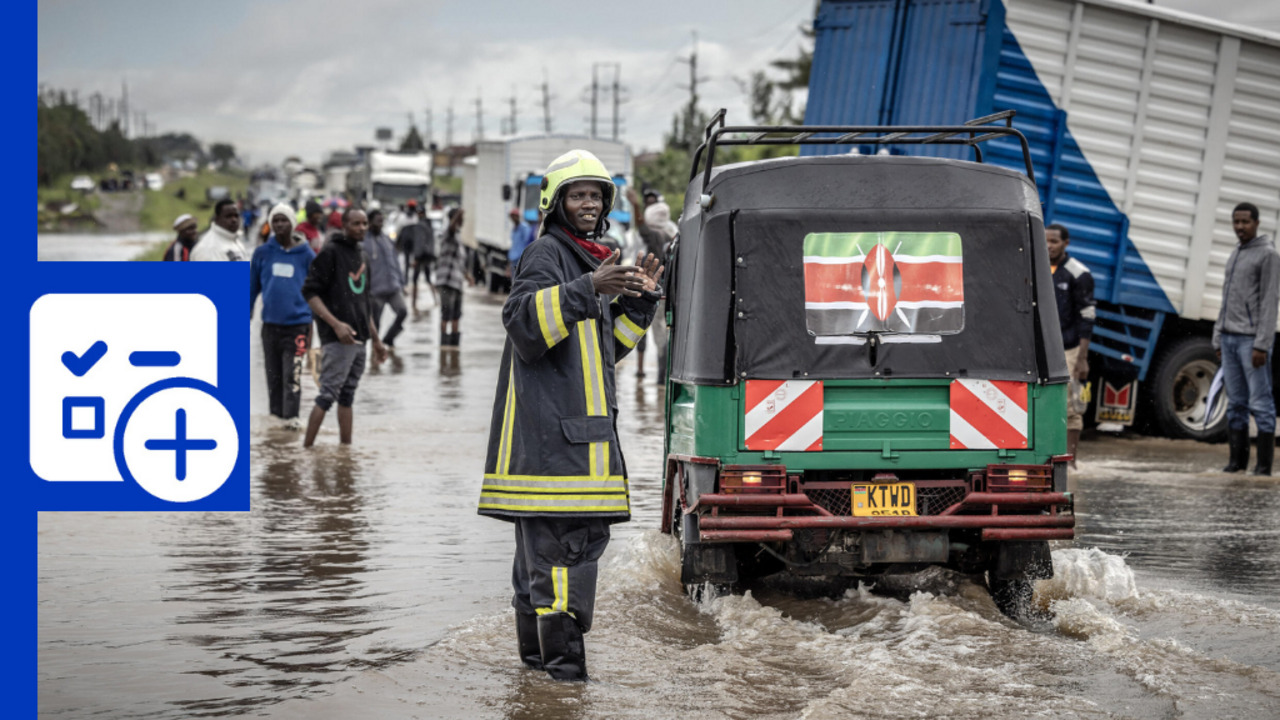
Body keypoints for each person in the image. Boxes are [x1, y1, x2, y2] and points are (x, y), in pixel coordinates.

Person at [477, 149, 663, 682]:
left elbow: (603, 352)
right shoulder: (546, 255)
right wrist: (589, 290)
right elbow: (523, 325)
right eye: (578, 195)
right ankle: (564, 690)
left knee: (541, 577)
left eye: (596, 195)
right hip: (555, 457)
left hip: (572, 449)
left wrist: (640, 306)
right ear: (555, 203)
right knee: (563, 576)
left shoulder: (588, 259)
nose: (589, 203)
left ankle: (537, 687)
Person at [300, 209, 388, 447]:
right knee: (327, 395)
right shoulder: (330, 253)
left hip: (360, 341)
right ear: (344, 226)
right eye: (356, 223)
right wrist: (336, 325)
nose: (362, 228)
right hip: (338, 340)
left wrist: (377, 341)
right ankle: (306, 451)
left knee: (347, 396)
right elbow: (310, 292)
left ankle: (345, 451)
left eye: (364, 223)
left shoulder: (362, 255)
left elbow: (364, 302)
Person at [1213, 202, 1279, 475]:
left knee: (1261, 403)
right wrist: (1218, 336)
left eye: (1245, 222)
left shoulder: (1268, 255)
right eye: (1236, 222)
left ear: (1257, 223)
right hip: (1228, 339)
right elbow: (1226, 299)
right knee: (1236, 403)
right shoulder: (1236, 253)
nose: (1240, 227)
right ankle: (1236, 465)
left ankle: (1263, 468)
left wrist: (1262, 343)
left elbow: (1270, 301)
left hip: (1251, 342)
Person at [249, 203, 317, 430]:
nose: (279, 225)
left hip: (297, 327)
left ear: (292, 223)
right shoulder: (262, 253)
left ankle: (291, 426)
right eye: (275, 220)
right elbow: (252, 287)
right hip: (270, 326)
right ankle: (276, 429)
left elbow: (315, 292)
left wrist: (313, 327)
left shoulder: (306, 255)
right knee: (274, 379)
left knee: (292, 378)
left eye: (283, 220)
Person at [1045, 223, 1094, 468]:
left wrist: (1082, 358)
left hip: (1069, 348)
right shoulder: (1037, 267)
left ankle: (1071, 463)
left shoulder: (1078, 273)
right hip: (1043, 349)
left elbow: (1087, 316)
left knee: (1070, 405)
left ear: (1066, 243)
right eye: (1045, 240)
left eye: (1054, 241)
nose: (1048, 246)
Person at [365, 208, 409, 353]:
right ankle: (375, 353)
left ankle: (389, 338)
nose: (380, 224)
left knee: (402, 311)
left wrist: (402, 283)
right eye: (377, 221)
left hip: (393, 287)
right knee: (375, 323)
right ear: (370, 222)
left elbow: (395, 262)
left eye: (381, 221)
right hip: (375, 290)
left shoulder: (387, 239)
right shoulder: (364, 242)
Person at [435, 208, 470, 347]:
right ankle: (443, 347)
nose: (463, 221)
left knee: (456, 316)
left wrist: (468, 276)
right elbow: (451, 226)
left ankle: (454, 348)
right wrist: (457, 215)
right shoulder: (447, 233)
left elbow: (459, 262)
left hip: (457, 283)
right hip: (446, 282)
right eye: (461, 219)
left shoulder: (458, 236)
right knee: (446, 314)